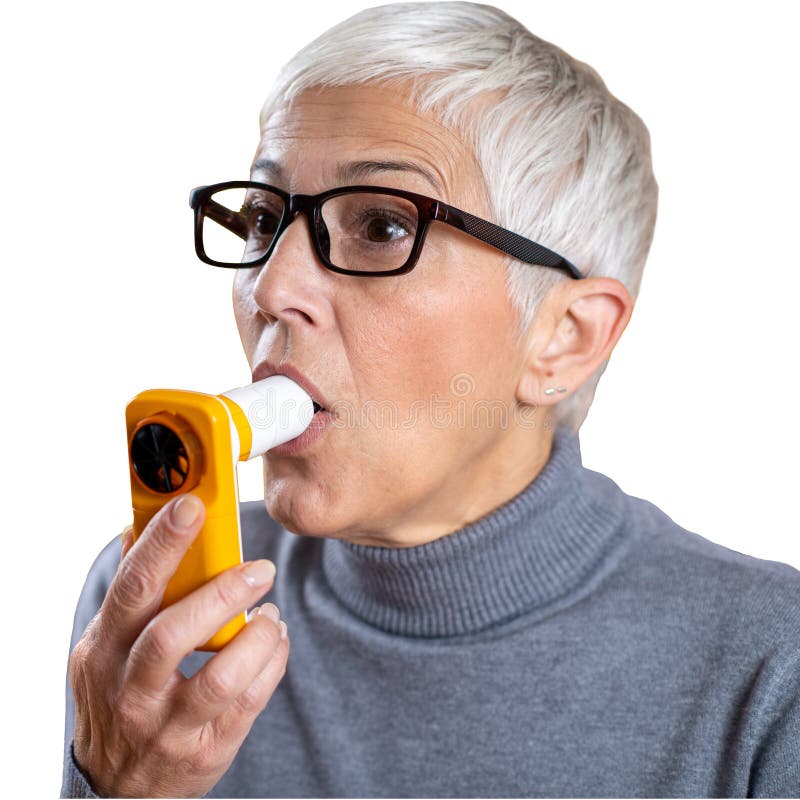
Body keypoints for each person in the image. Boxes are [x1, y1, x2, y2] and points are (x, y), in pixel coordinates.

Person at [61, 2, 800, 797]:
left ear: (567, 338)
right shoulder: (158, 612)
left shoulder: (771, 673)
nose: (273, 288)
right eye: (264, 220)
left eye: (380, 225)